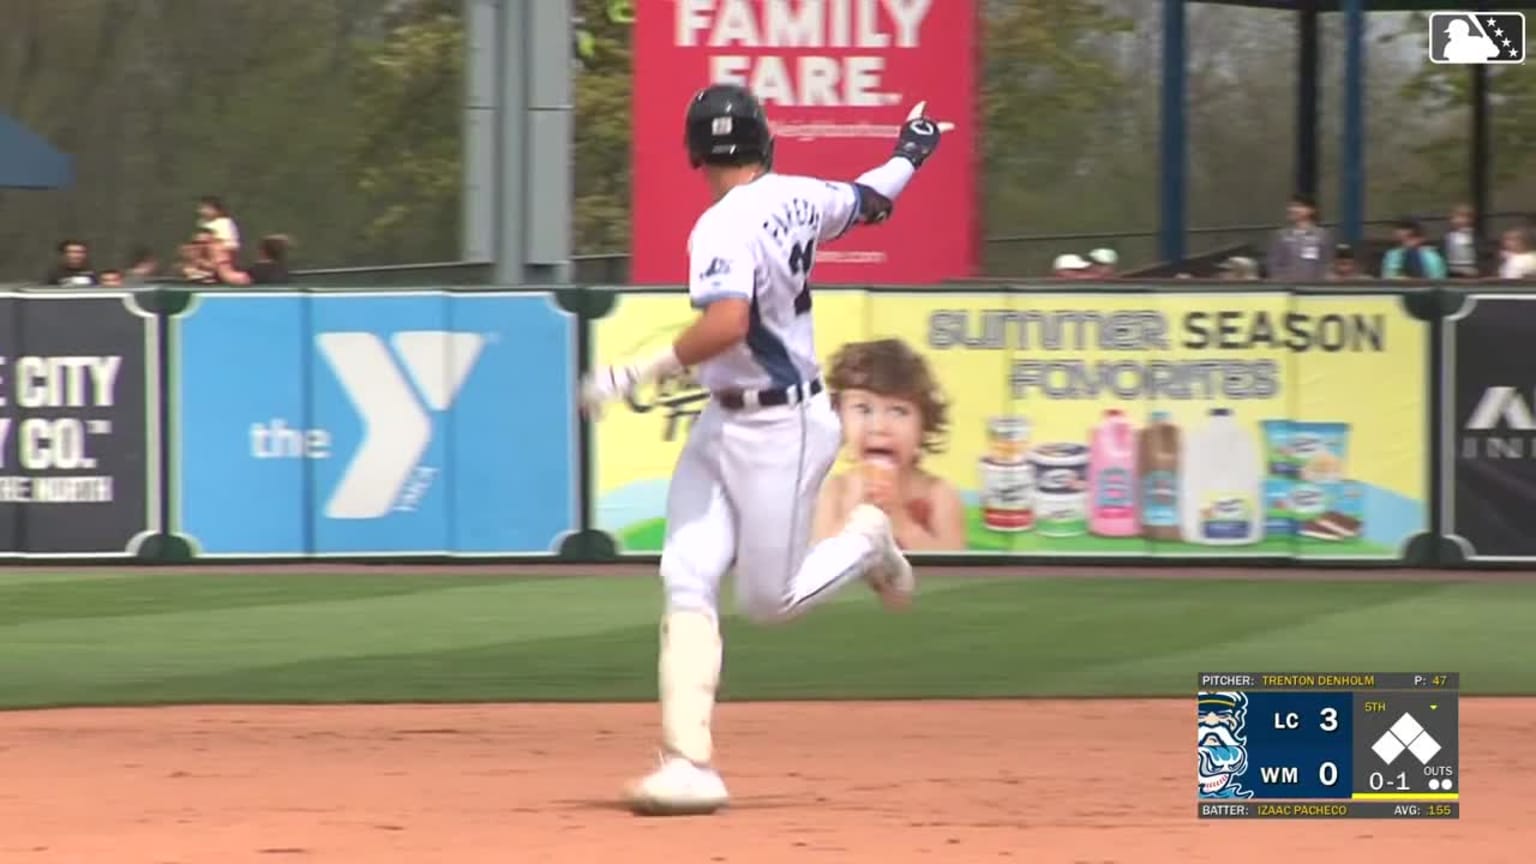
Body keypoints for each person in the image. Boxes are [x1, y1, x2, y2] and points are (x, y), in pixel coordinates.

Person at [578, 84, 952, 816]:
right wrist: (912, 150)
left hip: (784, 428)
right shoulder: (801, 195)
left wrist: (633, 372)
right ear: (764, 141)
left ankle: (869, 541)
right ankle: (690, 764)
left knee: (769, 603)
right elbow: (874, 197)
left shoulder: (719, 227)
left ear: (694, 153)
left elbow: (725, 324)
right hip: (726, 422)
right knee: (686, 571)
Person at [813, 338, 967, 551]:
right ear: (839, 417)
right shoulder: (835, 491)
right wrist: (858, 515)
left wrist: (899, 518)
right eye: (863, 409)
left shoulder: (938, 494)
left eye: (898, 411)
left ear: (923, 425)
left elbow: (954, 571)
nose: (879, 427)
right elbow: (822, 563)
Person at [1265, 194, 1332, 281]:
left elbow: (1326, 264)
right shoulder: (1281, 236)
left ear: (1311, 210)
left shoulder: (1322, 235)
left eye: (1298, 206)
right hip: (1286, 288)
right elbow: (1273, 264)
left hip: (1315, 288)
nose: (1293, 209)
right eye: (1291, 206)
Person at [1380, 219, 1448, 279]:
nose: (1407, 243)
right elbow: (1388, 278)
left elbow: (1438, 280)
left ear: (1420, 239)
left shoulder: (1432, 257)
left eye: (1410, 238)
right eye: (1401, 241)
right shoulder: (1392, 256)